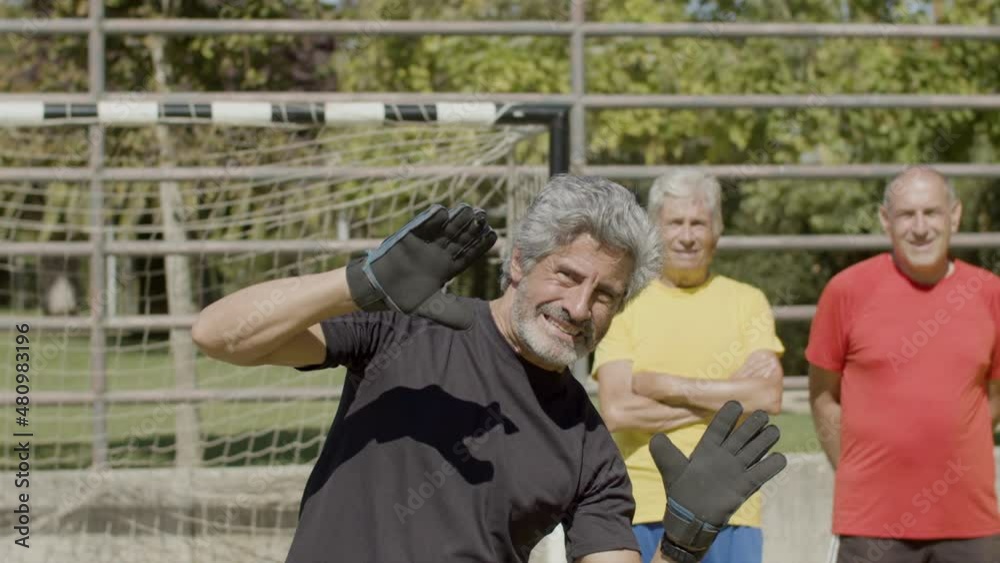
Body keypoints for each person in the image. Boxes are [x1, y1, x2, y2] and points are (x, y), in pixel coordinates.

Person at [192, 174, 787, 563]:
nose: (579, 307)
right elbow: (219, 335)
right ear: (519, 264)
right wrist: (361, 283)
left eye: (604, 294)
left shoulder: (588, 444)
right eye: (567, 275)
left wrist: (681, 544)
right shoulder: (406, 326)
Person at [807, 166, 1000, 563]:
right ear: (884, 220)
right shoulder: (846, 291)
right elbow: (823, 397)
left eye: (931, 213)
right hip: (872, 525)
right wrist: (856, 474)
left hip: (971, 524)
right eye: (906, 215)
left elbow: (993, 396)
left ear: (955, 216)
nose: (920, 227)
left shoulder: (990, 294)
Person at [593, 170, 785, 563]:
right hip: (645, 505)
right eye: (674, 223)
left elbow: (768, 395)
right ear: (653, 229)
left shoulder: (747, 302)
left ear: (717, 228)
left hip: (734, 507)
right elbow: (617, 410)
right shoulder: (625, 303)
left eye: (698, 223)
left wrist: (662, 384)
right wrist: (728, 398)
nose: (686, 236)